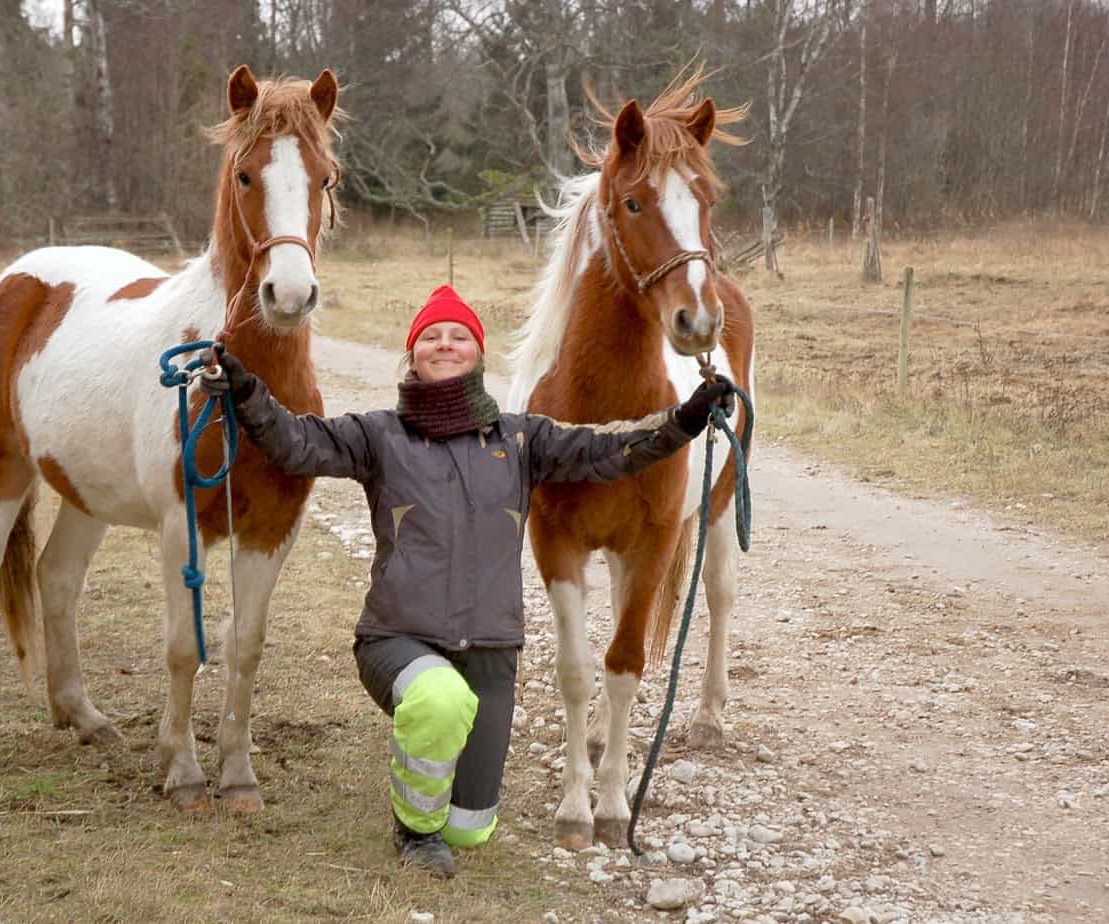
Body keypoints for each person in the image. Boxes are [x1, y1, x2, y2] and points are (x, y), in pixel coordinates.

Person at [201, 284, 733, 878]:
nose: (445, 345)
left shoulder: (523, 438)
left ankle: (442, 805)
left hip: (489, 651)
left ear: (479, 355)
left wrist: (686, 419)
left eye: (459, 336)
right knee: (438, 702)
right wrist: (245, 392)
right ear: (412, 356)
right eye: (431, 337)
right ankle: (413, 832)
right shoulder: (379, 435)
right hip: (398, 640)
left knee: (471, 828)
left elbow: (612, 447)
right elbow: (294, 442)